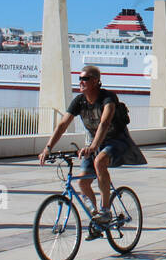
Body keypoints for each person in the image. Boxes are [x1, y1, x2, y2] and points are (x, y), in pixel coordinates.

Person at [39, 66, 147, 226]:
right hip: (95, 143)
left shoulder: (108, 98)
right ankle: (97, 219)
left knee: (100, 161)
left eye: (85, 79)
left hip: (117, 141)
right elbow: (63, 124)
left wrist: (93, 146)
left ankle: (105, 211)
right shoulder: (79, 101)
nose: (81, 82)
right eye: (80, 79)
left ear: (96, 81)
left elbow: (105, 122)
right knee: (82, 182)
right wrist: (47, 148)